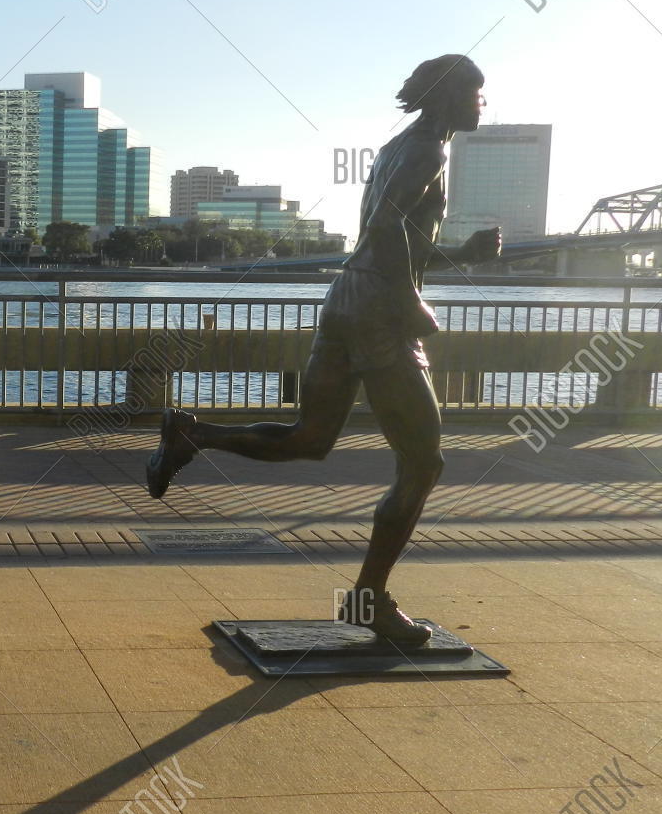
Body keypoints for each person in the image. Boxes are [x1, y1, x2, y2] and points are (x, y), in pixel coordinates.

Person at [146, 54, 502, 644]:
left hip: (346, 297)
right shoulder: (427, 151)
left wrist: (461, 253)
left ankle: (191, 433)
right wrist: (409, 306)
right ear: (446, 97)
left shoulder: (396, 149)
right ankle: (368, 601)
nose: (482, 103)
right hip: (378, 313)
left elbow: (390, 240)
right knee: (423, 462)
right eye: (475, 92)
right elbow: (388, 235)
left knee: (310, 440)